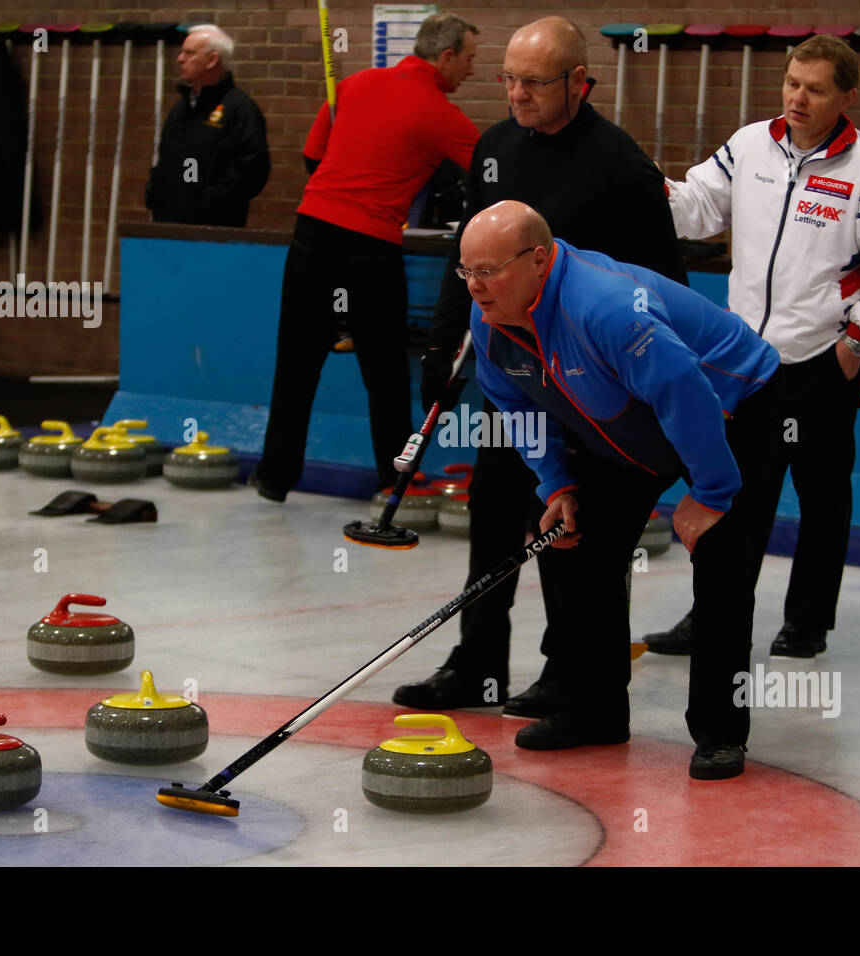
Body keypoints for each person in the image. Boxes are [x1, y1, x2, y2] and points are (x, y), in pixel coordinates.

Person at [391, 16, 687, 716]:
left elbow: (662, 288)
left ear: (580, 83)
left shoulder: (623, 169)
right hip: (514, 378)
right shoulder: (494, 149)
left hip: (593, 394)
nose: (517, 94)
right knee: (493, 513)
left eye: (534, 82)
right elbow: (467, 257)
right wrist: (441, 344)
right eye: (509, 79)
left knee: (571, 533)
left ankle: (571, 673)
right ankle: (478, 664)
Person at [460, 201, 781, 777]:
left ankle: (719, 730)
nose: (476, 286)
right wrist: (558, 483)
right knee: (572, 542)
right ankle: (594, 709)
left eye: (489, 270)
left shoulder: (607, 309)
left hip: (731, 410)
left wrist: (710, 493)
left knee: (722, 567)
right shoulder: (490, 325)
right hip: (631, 420)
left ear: (538, 260)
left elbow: (686, 392)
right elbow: (516, 404)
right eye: (467, 272)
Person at [648, 34, 860, 658]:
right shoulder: (748, 146)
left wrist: (857, 343)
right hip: (742, 364)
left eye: (815, 88)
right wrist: (642, 185)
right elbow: (693, 211)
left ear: (846, 97)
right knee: (729, 492)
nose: (798, 97)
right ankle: (711, 614)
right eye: (792, 82)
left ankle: (807, 622)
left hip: (822, 365)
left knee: (822, 497)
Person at [253, 13, 480, 499]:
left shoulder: (353, 84)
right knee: (384, 371)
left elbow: (315, 154)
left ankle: (274, 476)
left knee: (296, 360)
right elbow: (493, 172)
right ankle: (393, 480)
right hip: (369, 245)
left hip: (311, 230)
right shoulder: (440, 114)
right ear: (445, 57)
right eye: (469, 59)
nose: (472, 71)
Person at [146, 24, 270, 227]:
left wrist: (207, 202)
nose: (180, 59)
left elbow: (251, 171)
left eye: (189, 53)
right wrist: (154, 191)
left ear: (212, 60)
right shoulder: (182, 108)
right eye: (181, 53)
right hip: (167, 223)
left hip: (213, 229)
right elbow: (178, 159)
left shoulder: (239, 110)